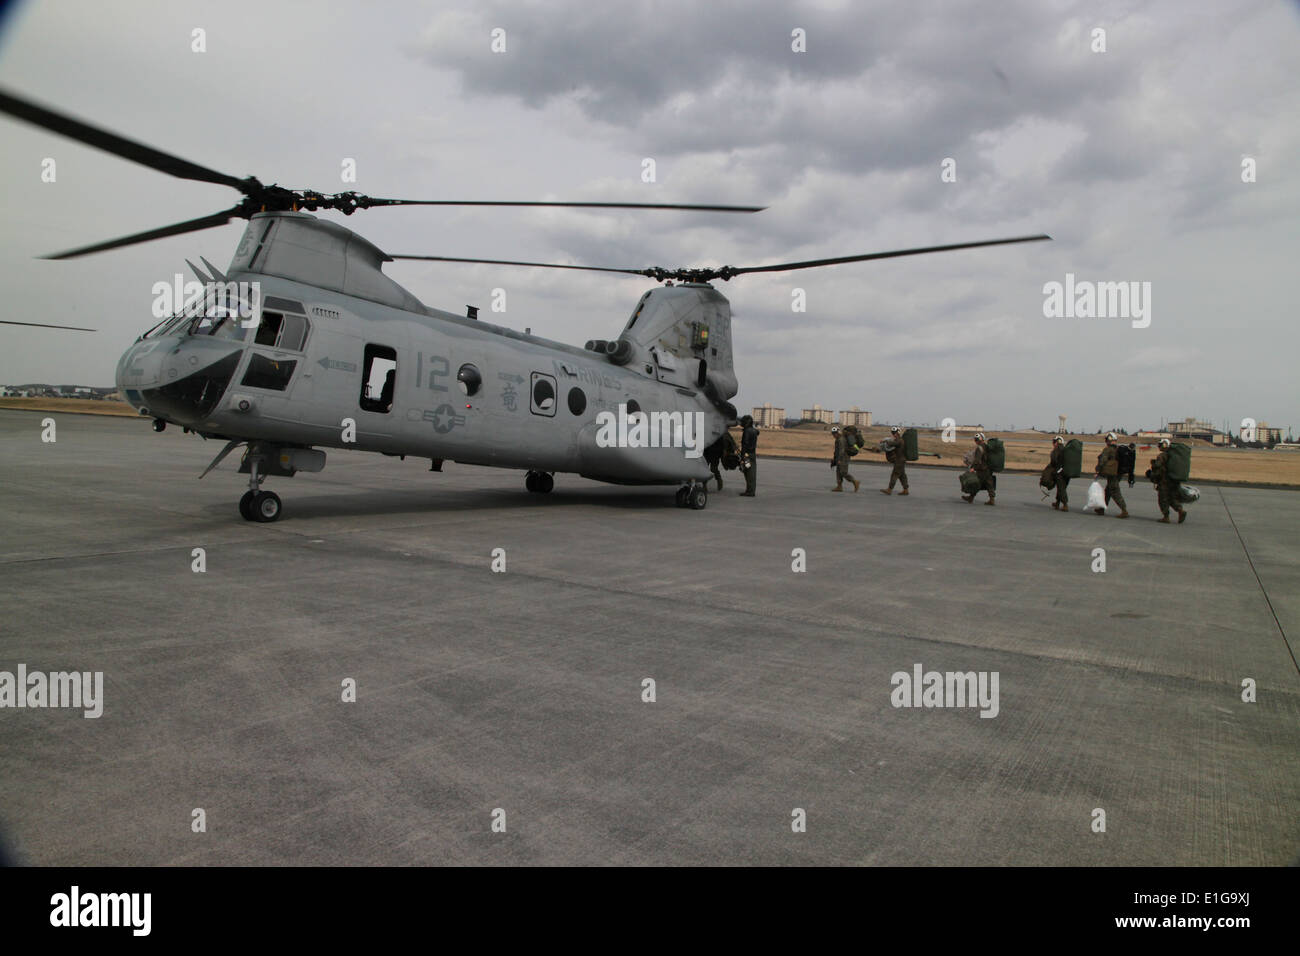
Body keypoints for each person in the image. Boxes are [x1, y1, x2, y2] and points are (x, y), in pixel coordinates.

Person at [1147, 438, 1187, 524]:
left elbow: (1158, 466)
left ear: (1164, 445)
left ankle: (1166, 517)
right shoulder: (1173, 455)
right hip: (1173, 480)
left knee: (1162, 499)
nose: (1159, 446)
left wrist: (1153, 465)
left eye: (1160, 445)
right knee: (1171, 498)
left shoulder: (1162, 455)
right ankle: (1180, 510)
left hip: (1165, 481)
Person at [1094, 432, 1129, 518]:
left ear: (1108, 440)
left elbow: (1103, 460)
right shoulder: (1118, 449)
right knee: (1108, 491)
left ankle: (1124, 510)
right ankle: (1102, 509)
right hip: (1118, 473)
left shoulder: (1108, 449)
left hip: (1112, 474)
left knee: (1114, 491)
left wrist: (1098, 470)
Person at [962, 433, 995, 505]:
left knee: (977, 484)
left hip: (981, 470)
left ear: (980, 439)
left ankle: (971, 498)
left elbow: (977, 460)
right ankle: (992, 500)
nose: (975, 441)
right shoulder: (987, 446)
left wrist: (973, 468)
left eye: (976, 439)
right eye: (975, 439)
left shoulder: (979, 448)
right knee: (989, 484)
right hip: (988, 469)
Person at [880, 425, 909, 495]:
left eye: (895, 433)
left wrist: (884, 441)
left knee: (894, 475)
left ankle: (889, 489)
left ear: (898, 433)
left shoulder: (899, 440)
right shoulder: (898, 440)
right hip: (901, 460)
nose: (894, 434)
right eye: (893, 433)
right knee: (902, 476)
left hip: (899, 461)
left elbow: (891, 443)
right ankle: (906, 490)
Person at [830, 425, 860, 492]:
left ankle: (855, 482)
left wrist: (840, 459)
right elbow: (836, 450)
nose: (834, 435)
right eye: (833, 434)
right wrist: (834, 459)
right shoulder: (837, 439)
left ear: (838, 433)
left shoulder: (841, 439)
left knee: (843, 472)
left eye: (835, 433)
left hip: (844, 457)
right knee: (838, 472)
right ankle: (839, 486)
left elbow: (842, 450)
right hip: (839, 458)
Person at [739, 414, 758, 497]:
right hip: (752, 454)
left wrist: (742, 456)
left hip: (747, 455)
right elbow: (757, 432)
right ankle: (751, 490)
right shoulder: (754, 431)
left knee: (748, 472)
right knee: (752, 472)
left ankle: (750, 491)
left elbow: (745, 444)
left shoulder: (747, 431)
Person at [1048, 435, 1069, 511]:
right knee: (1061, 488)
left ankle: (1065, 505)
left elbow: (1053, 461)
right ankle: (1057, 503)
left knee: (1061, 488)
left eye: (1054, 442)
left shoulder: (1056, 450)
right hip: (1067, 472)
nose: (1053, 443)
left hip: (1060, 472)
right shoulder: (1066, 450)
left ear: (1057, 442)